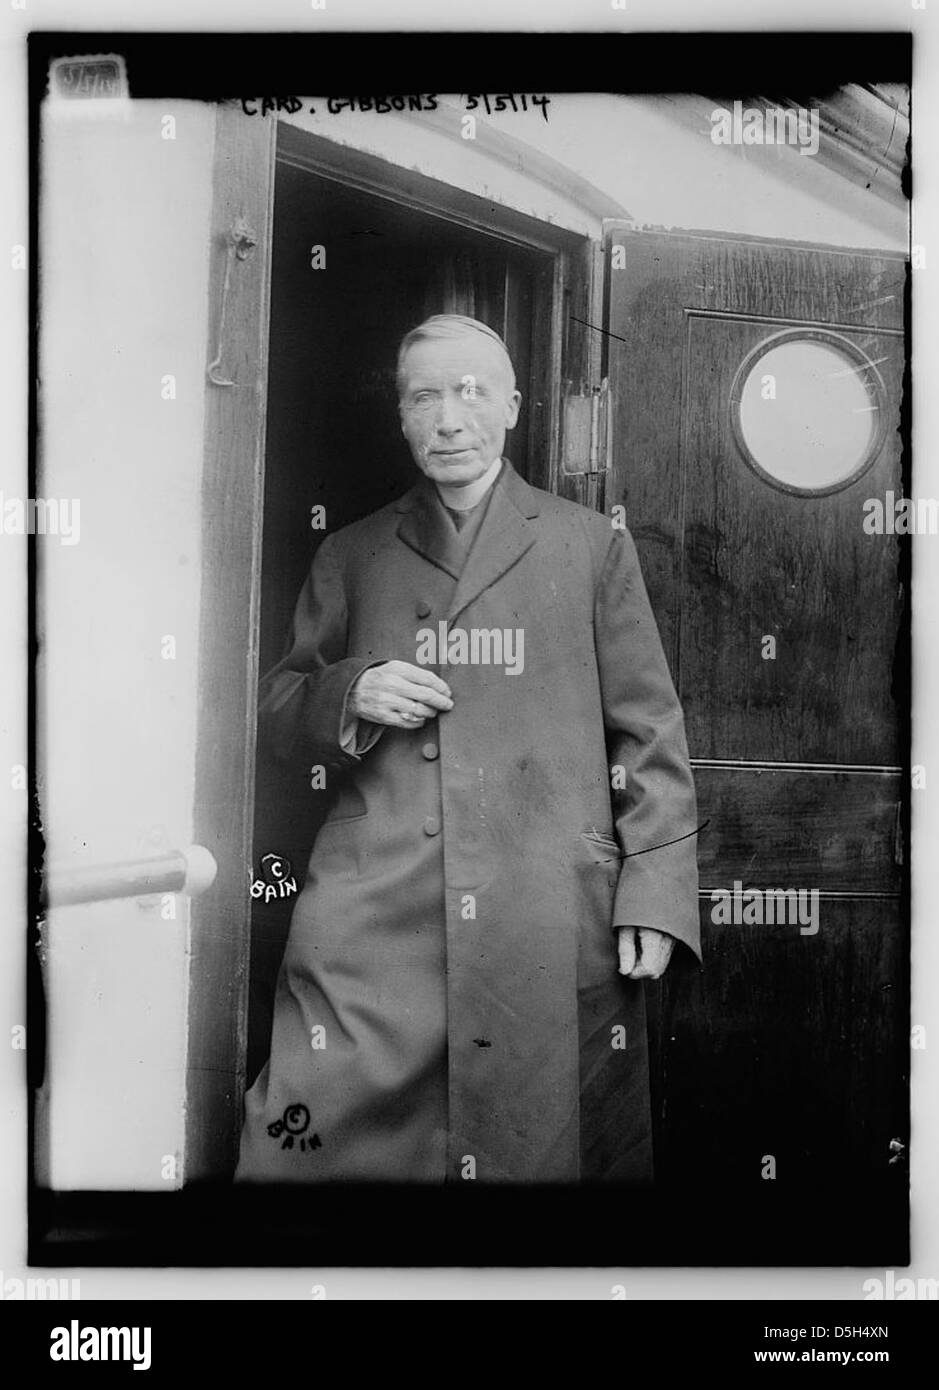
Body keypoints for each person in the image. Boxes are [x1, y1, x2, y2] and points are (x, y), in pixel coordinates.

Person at [236, 313, 700, 1184]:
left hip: (539, 904)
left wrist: (657, 893)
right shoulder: (353, 551)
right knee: (303, 1158)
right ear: (402, 417)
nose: (447, 418)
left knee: (529, 1157)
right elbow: (275, 707)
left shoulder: (589, 544)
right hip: (375, 917)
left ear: (514, 407)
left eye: (470, 391)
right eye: (423, 397)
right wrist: (351, 690)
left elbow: (649, 731)